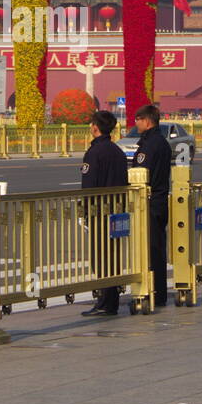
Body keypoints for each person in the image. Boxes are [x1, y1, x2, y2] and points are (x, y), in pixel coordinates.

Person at [80, 110, 130, 318]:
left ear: (95, 127)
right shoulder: (117, 151)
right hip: (117, 210)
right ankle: (112, 300)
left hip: (100, 211)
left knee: (101, 258)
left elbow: (89, 185)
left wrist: (84, 211)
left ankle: (104, 302)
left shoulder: (94, 153)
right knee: (113, 257)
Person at [132, 103, 171, 308]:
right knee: (157, 248)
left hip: (149, 201)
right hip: (159, 199)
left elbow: (140, 172)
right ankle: (159, 290)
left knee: (151, 250)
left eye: (138, 119)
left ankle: (153, 290)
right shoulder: (161, 142)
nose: (135, 123)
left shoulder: (149, 144)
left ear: (147, 121)